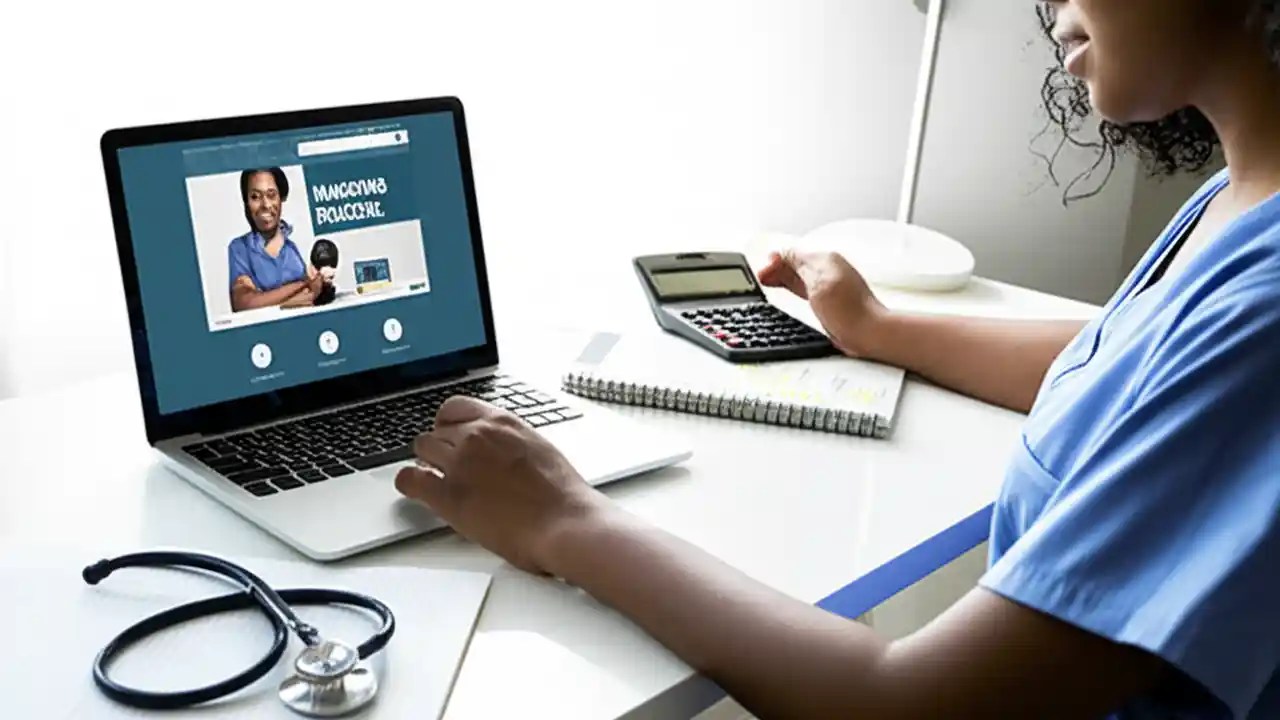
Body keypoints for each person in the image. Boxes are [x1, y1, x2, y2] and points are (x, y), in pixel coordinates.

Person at [394, 2, 1280, 717]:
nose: (1048, 9)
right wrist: (878, 328)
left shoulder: (1266, 311)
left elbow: (906, 702)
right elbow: (1133, 366)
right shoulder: (1239, 198)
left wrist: (565, 521)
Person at [227, 167, 333, 311]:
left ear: (281, 198)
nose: (265, 205)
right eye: (255, 197)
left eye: (271, 195)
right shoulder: (240, 248)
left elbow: (309, 299)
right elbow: (245, 303)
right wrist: (303, 285)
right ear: (246, 202)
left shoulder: (292, 249)